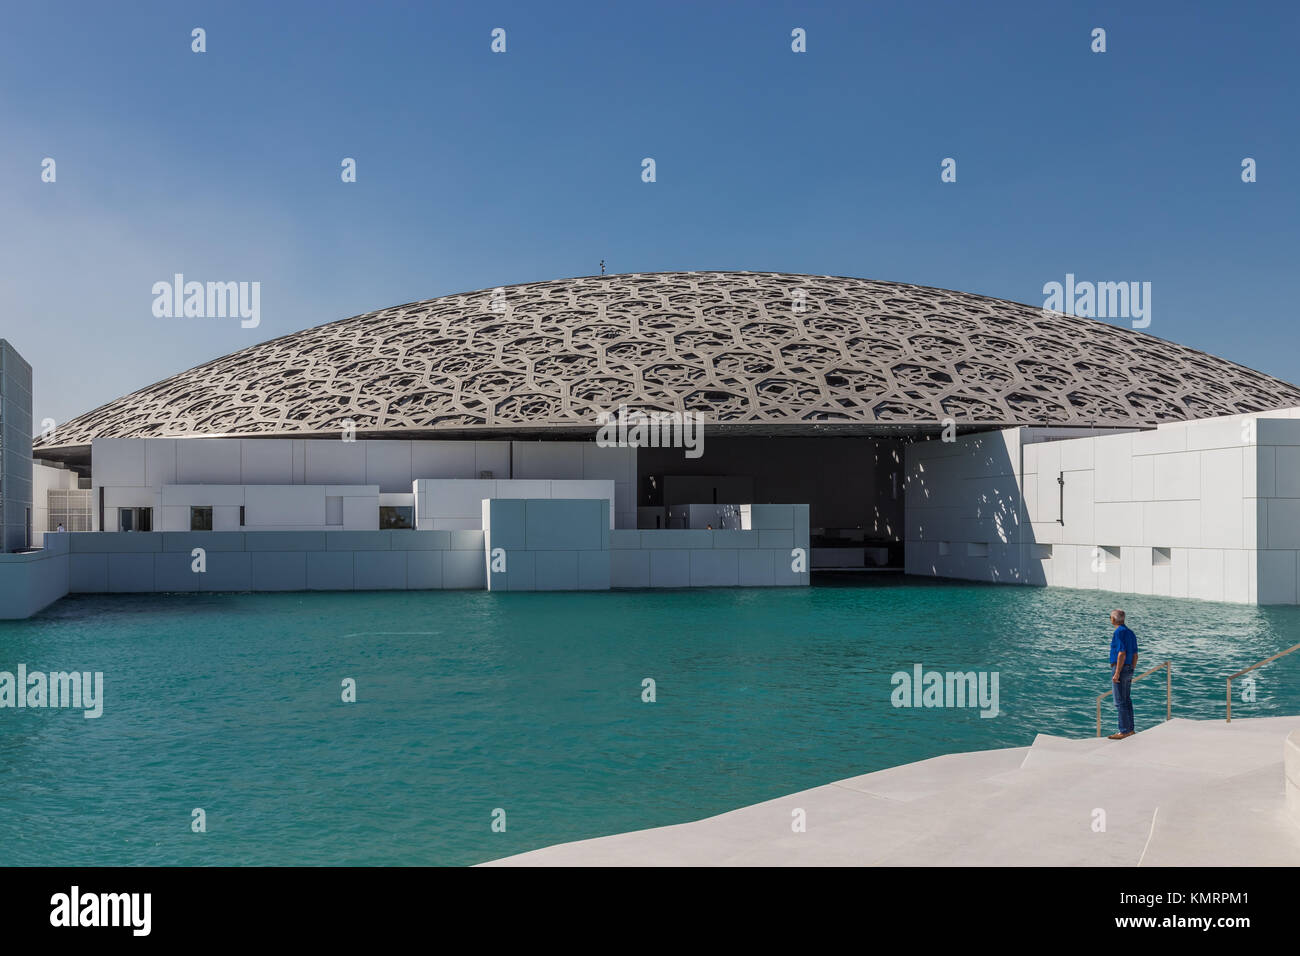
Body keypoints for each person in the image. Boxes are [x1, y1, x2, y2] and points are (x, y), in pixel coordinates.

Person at [1107, 609, 1138, 740]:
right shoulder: (1131, 633)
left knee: (1119, 701)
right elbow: (1135, 655)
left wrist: (1117, 672)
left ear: (1113, 620)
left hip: (1120, 668)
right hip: (1129, 668)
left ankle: (1123, 730)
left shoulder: (1118, 632)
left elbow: (1121, 653)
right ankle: (1130, 729)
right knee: (1127, 699)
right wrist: (1131, 669)